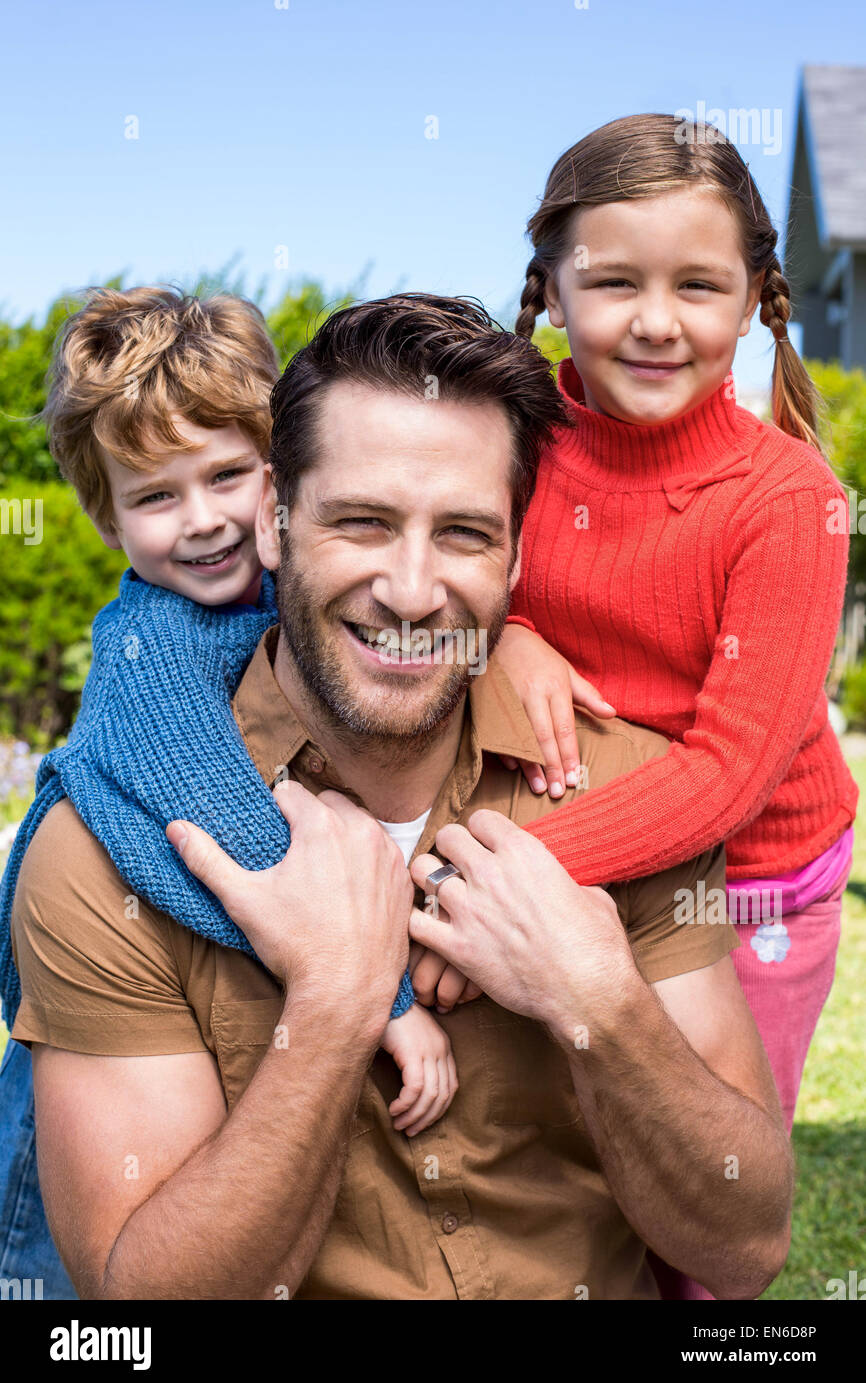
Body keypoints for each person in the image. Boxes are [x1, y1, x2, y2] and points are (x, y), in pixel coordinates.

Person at [9, 293, 793, 1300]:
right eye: (361, 521)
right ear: (274, 519)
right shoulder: (106, 850)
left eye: (464, 533)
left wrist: (598, 999)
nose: (412, 588)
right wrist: (336, 1006)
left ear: (515, 550)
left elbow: (742, 1249)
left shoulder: (627, 788)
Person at [0, 287, 451, 1300]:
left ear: (279, 476)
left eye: (226, 475)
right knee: (61, 1287)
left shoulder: (273, 592)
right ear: (102, 512)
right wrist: (384, 998)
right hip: (76, 1066)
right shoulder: (155, 642)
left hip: (159, 1028)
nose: (200, 520)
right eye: (155, 496)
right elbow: (228, 825)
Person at [489, 113, 857, 1298]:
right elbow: (429, 567)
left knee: (702, 1188)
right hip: (583, 860)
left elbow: (725, 774)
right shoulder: (510, 445)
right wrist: (509, 633)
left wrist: (484, 872)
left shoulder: (785, 499)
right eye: (612, 282)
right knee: (576, 1162)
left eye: (698, 285)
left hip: (747, 883)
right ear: (549, 286)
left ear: (753, 300)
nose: (655, 320)